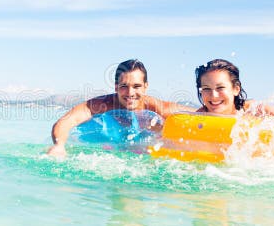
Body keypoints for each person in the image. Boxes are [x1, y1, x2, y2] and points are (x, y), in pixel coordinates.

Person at [46, 59, 193, 157]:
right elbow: (66, 121)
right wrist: (59, 145)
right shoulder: (102, 104)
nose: (130, 93)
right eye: (124, 87)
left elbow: (198, 114)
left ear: (146, 87)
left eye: (136, 86)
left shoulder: (157, 108)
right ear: (116, 87)